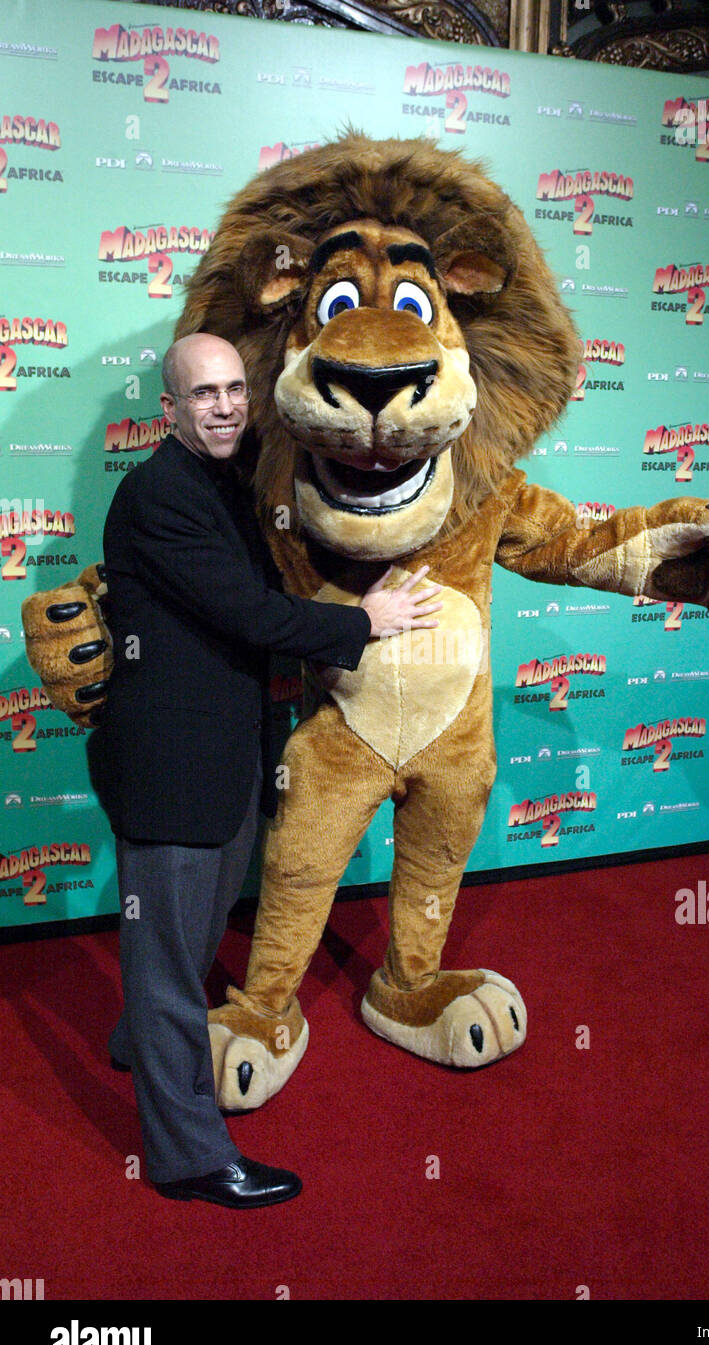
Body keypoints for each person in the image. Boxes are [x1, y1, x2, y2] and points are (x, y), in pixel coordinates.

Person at [99, 333, 441, 1208]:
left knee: (186, 944)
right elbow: (246, 612)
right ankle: (189, 1158)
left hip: (224, 758)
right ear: (167, 410)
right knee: (176, 965)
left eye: (232, 390)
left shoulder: (227, 481)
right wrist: (365, 621)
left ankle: (142, 1041)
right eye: (201, 393)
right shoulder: (157, 496)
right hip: (172, 769)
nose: (221, 406)